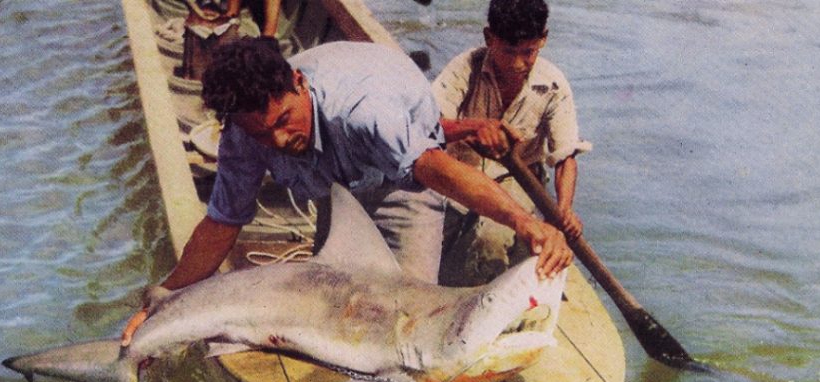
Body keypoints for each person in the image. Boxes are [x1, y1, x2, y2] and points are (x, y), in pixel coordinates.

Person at [121, 37, 571, 344]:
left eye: (282, 122)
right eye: (262, 135)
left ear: (299, 84)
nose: (278, 142)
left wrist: (527, 223)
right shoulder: (243, 136)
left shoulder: (364, 112)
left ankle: (454, 234)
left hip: (401, 180)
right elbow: (222, 224)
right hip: (335, 184)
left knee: (406, 327)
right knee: (333, 315)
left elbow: (437, 169)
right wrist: (163, 300)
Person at [433, 0, 590, 285]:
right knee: (424, 239)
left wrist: (564, 209)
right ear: (489, 37)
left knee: (490, 243)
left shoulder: (554, 86)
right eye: (508, 51)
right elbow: (426, 128)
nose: (518, 64)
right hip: (460, 172)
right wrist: (474, 127)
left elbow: (565, 157)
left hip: (516, 180)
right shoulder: (465, 67)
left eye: (528, 52)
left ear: (543, 40)